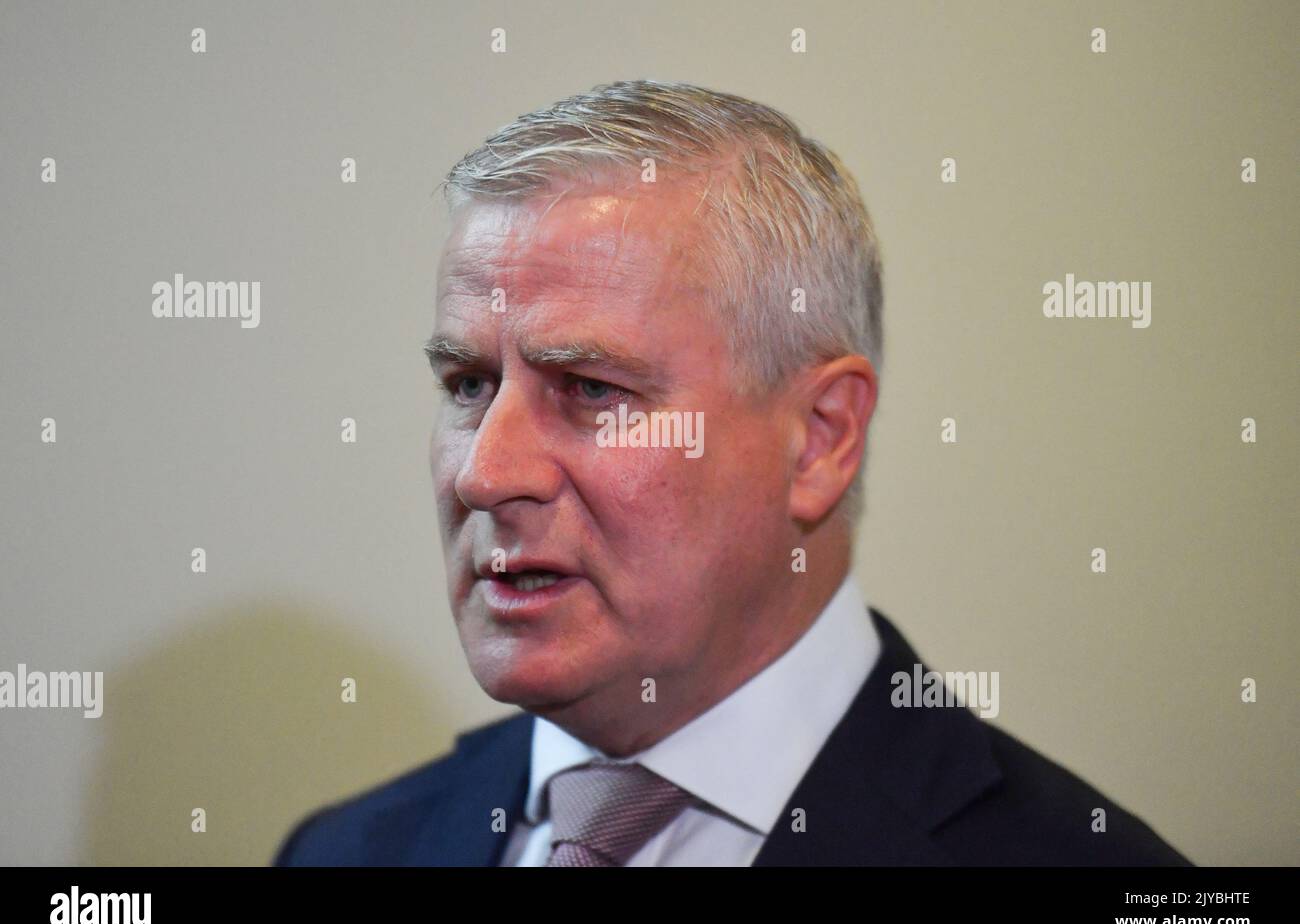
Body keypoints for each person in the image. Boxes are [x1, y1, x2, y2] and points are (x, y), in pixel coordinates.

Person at [274, 79, 1190, 866]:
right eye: (468, 383)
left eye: (591, 389)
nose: (485, 474)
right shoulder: (346, 850)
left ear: (820, 439)